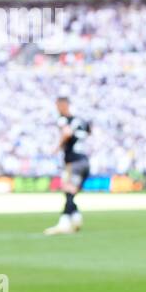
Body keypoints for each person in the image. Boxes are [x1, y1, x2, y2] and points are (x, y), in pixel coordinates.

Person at [45, 96, 90, 235]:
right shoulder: (80, 121)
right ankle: (76, 217)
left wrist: (57, 147)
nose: (57, 108)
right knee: (70, 192)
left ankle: (64, 222)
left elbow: (67, 133)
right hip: (84, 161)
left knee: (68, 191)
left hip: (74, 162)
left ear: (64, 105)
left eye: (58, 105)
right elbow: (87, 132)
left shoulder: (64, 119)